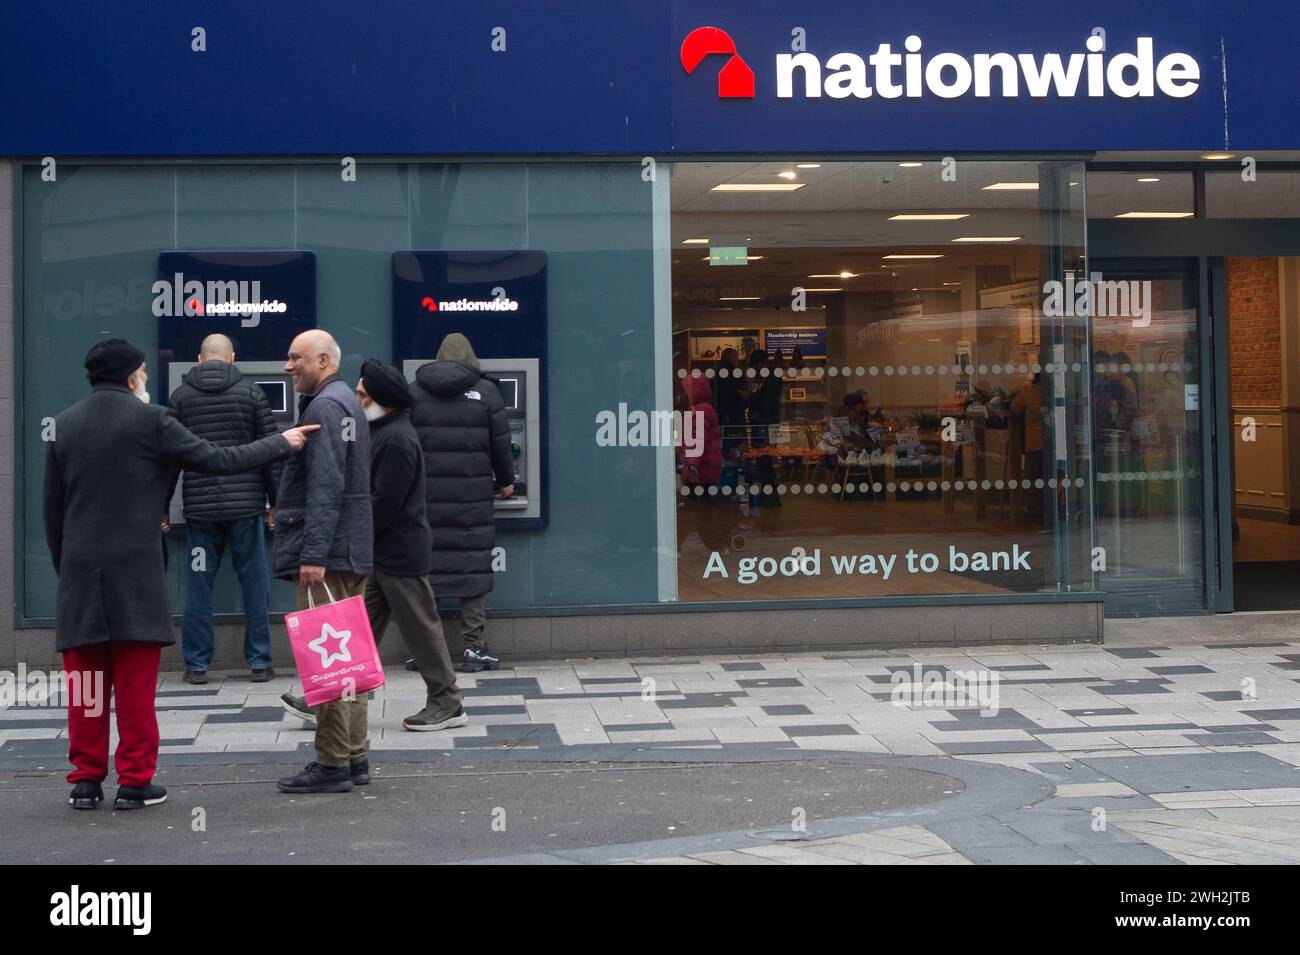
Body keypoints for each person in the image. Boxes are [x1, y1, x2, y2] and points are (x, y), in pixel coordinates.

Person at [44, 339, 316, 811]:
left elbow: (53, 513)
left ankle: (85, 782)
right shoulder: (151, 421)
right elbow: (218, 460)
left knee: (86, 688)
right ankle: (134, 783)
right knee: (133, 688)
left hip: (81, 576)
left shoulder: (64, 426)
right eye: (144, 372)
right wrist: (279, 441)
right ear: (130, 377)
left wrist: (67, 569)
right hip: (136, 574)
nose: (146, 379)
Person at [286, 360, 468, 732]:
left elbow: (386, 502)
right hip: (381, 551)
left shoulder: (397, 438)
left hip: (399, 552)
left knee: (421, 629)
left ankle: (447, 702)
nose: (355, 398)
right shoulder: (380, 431)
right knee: (354, 629)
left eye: (362, 394)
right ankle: (334, 690)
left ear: (381, 401)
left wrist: (352, 529)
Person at [274, 330, 374, 795]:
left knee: (328, 660)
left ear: (322, 360)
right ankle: (353, 757)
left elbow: (326, 486)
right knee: (348, 660)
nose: (288, 366)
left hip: (328, 557)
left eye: (296, 359)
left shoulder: (325, 407)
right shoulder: (342, 402)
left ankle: (332, 762)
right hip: (346, 550)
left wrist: (313, 554)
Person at [166, 333, 282, 685]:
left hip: (202, 513)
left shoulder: (180, 397)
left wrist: (159, 507)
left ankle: (197, 665)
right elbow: (270, 451)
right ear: (232, 357)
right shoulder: (251, 393)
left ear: (199, 359)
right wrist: (275, 503)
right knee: (255, 585)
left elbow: (169, 459)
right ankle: (260, 662)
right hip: (246, 509)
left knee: (198, 587)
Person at [410, 333, 514, 673]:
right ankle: (473, 648)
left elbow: (405, 447)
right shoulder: (487, 392)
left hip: (426, 499)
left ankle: (429, 650)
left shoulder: (414, 392)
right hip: (471, 500)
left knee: (429, 573)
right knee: (472, 570)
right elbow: (501, 444)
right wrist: (506, 481)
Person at [679, 374, 722, 486]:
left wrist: (692, 465)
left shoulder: (700, 410)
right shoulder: (700, 409)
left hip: (700, 471)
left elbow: (698, 439)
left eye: (686, 392)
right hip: (702, 467)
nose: (684, 395)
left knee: (697, 501)